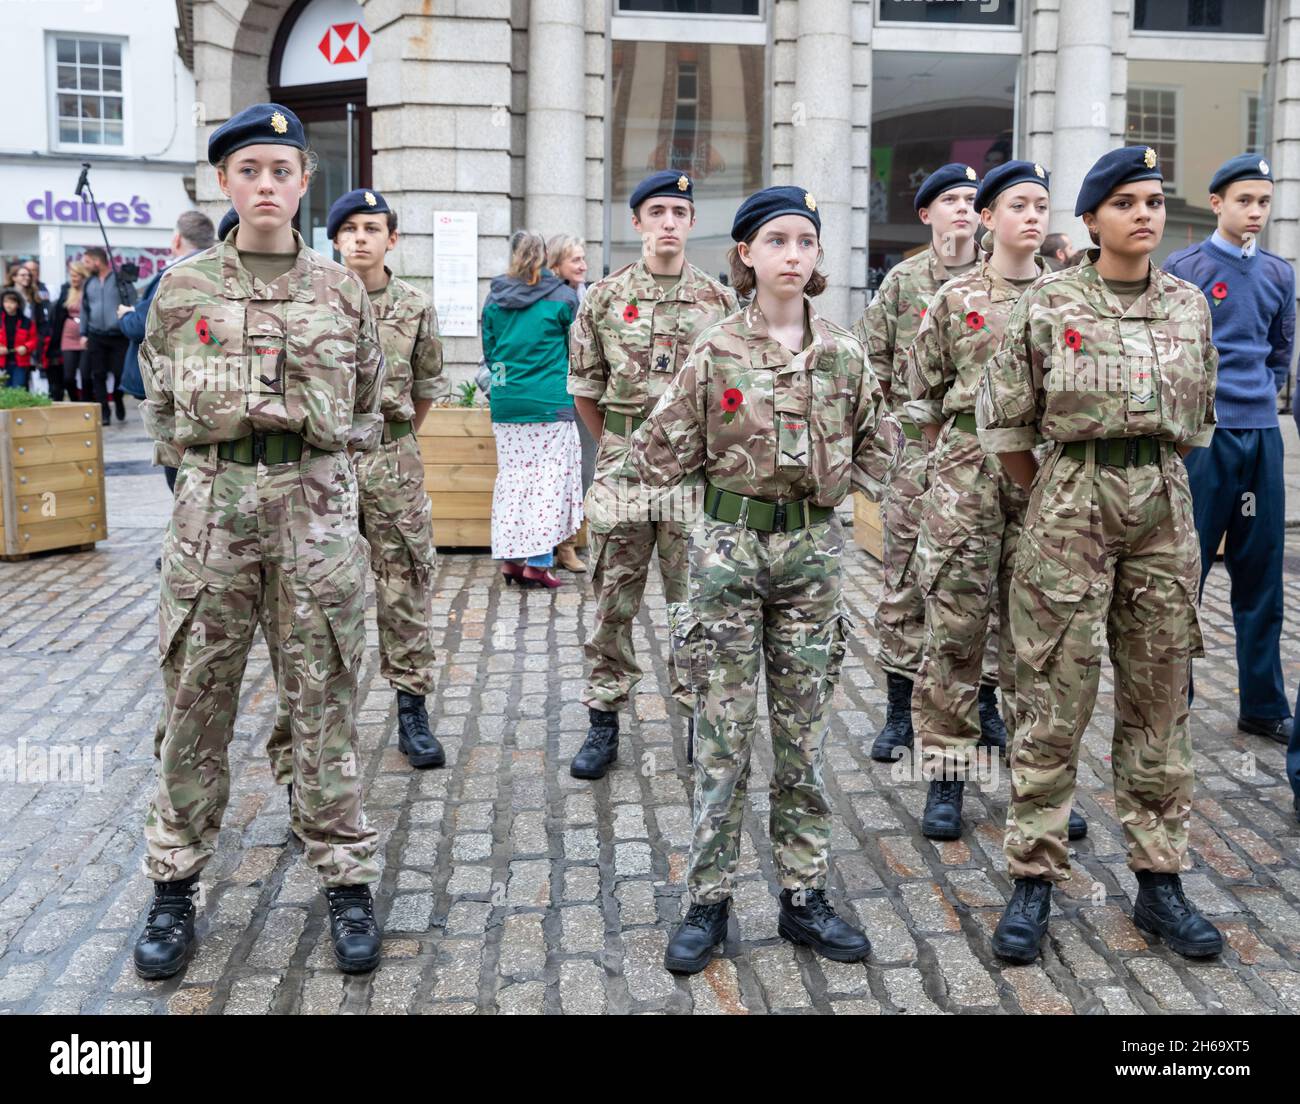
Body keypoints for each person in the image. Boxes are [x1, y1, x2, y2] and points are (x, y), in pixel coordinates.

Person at [134, 103, 386, 979]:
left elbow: (364, 403)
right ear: (226, 183)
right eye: (250, 171)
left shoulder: (341, 291)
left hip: (315, 518)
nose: (267, 185)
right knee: (196, 700)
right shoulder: (181, 290)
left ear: (304, 182)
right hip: (212, 518)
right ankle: (172, 886)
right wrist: (219, 473)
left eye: (282, 170)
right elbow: (161, 412)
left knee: (324, 697)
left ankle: (346, 878)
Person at [630, 185, 889, 973]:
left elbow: (881, 452)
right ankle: (708, 900)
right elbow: (652, 456)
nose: (792, 255)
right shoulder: (714, 352)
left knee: (804, 738)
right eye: (776, 241)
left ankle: (804, 896)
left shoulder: (844, 353)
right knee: (722, 736)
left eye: (805, 242)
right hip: (729, 557)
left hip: (812, 556)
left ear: (816, 258)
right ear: (746, 255)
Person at [979, 146, 1223, 964]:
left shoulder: (1190, 305)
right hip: (1069, 506)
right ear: (1090, 219)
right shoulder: (1049, 303)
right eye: (1125, 202)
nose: (1145, 213)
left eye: (1154, 200)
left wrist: (1140, 479)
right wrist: (1063, 490)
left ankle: (1160, 882)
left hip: (1161, 505)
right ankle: (1032, 880)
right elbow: (1010, 426)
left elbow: (1194, 427)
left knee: (1159, 697)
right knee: (1053, 697)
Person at [905, 160, 1089, 845]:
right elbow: (923, 401)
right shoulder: (955, 301)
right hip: (966, 476)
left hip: (1045, 482)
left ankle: (1035, 783)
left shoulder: (1072, 299)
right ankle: (947, 776)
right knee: (955, 630)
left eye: (1042, 203)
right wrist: (953, 464)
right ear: (988, 218)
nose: (1034, 216)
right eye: (1018, 204)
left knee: (1036, 639)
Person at [566, 170, 737, 779]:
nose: (668, 222)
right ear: (636, 222)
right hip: (623, 472)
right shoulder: (605, 299)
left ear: (692, 224)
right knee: (613, 597)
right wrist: (619, 448)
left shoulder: (718, 303)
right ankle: (604, 719)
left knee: (694, 601)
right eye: (656, 211)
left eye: (679, 212)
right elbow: (586, 390)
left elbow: (729, 395)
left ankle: (698, 716)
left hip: (692, 476)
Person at [854, 163, 1008, 761]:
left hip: (989, 460)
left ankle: (987, 704)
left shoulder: (1006, 279)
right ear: (927, 214)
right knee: (904, 584)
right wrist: (893, 441)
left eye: (973, 198)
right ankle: (900, 709)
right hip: (917, 463)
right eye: (951, 199)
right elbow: (874, 367)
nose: (964, 208)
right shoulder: (902, 282)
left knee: (988, 587)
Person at [1164, 154, 1294, 748]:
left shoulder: (1279, 273)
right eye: (1244, 200)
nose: (1255, 212)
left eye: (1264, 202)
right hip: (1205, 440)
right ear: (1216, 202)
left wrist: (1260, 401)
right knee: (1183, 573)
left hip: (1261, 437)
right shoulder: (1184, 268)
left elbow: (1279, 352)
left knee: (1262, 572)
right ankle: (1173, 701)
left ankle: (1263, 703)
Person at [482, 229, 584, 589]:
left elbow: (491, 352)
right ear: (544, 256)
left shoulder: (495, 298)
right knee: (548, 484)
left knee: (512, 481)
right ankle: (539, 563)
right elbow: (577, 350)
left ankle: (511, 560)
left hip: (507, 402)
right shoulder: (563, 298)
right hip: (549, 402)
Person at [119, 211, 217, 492]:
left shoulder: (176, 274)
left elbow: (143, 326)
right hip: (206, 381)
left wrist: (126, 315)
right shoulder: (214, 270)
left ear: (176, 239)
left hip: (175, 383)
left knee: (178, 465)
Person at [548, 231, 593, 572]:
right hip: (558, 399)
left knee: (580, 476)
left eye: (583, 258)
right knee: (560, 477)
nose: (583, 265)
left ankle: (567, 543)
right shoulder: (556, 298)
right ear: (556, 263)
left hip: (583, 399)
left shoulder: (586, 295)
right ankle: (559, 547)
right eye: (575, 259)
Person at [80, 244, 136, 425]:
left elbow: (132, 301)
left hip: (118, 335)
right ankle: (104, 411)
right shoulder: (89, 282)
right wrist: (83, 333)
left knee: (119, 373)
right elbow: (85, 309)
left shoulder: (119, 279)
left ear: (97, 262)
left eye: (87, 262)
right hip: (96, 334)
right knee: (98, 374)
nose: (85, 266)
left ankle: (118, 399)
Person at [45, 262, 89, 401]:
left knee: (85, 374)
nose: (73, 279)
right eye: (72, 276)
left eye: (76, 276)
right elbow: (59, 314)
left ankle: (88, 402)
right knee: (68, 377)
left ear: (83, 276)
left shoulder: (89, 289)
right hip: (68, 336)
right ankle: (75, 401)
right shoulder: (67, 290)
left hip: (85, 336)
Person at [0, 289, 38, 390]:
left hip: (20, 362)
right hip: (2, 362)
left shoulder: (26, 322)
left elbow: (34, 339)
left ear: (18, 304)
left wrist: (26, 347)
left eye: (12, 302)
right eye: (6, 302)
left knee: (18, 388)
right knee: (3, 390)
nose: (8, 305)